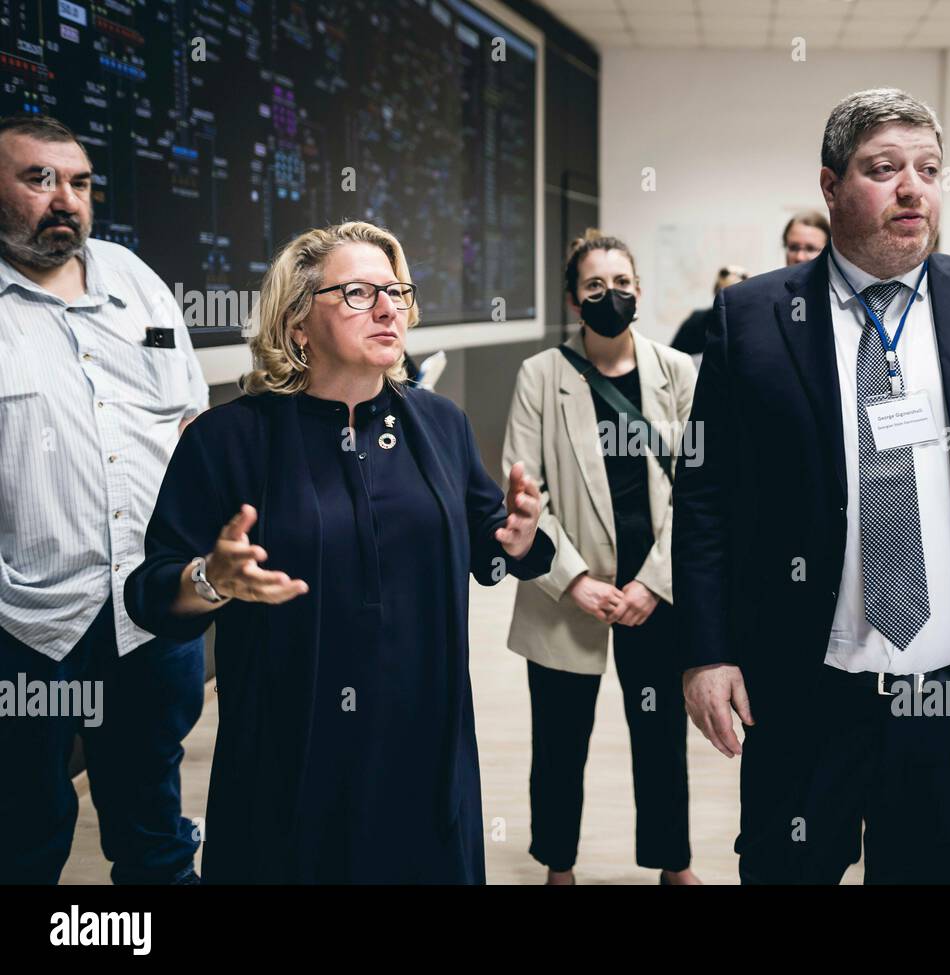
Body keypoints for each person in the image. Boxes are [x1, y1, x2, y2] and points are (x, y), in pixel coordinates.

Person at [672, 87, 950, 885]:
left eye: (928, 168)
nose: (912, 186)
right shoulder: (750, 317)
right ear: (829, 184)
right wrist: (705, 651)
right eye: (883, 169)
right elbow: (706, 495)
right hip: (802, 683)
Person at [124, 221, 554, 884]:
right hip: (292, 760)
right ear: (297, 322)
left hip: (426, 748)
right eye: (357, 293)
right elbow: (151, 592)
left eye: (397, 291)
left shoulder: (440, 424)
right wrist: (210, 578)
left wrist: (520, 539)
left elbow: (493, 543)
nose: (388, 308)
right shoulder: (228, 439)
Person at [0, 115, 209, 885]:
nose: (65, 199)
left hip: (149, 608)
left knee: (154, 820)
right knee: (24, 827)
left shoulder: (135, 279)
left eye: (79, 182)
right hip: (26, 624)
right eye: (38, 179)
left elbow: (189, 422)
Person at [503, 230, 700, 885]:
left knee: (660, 735)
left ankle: (674, 864)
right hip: (570, 589)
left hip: (655, 589)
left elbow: (700, 490)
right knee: (559, 739)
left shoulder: (678, 371)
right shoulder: (541, 376)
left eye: (621, 285)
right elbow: (523, 487)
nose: (609, 296)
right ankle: (559, 865)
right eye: (594, 287)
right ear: (573, 298)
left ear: (638, 293)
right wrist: (575, 579)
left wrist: (654, 581)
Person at [671, 264, 748, 364]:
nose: (730, 301)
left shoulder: (754, 323)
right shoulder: (697, 321)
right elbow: (674, 357)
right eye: (724, 294)